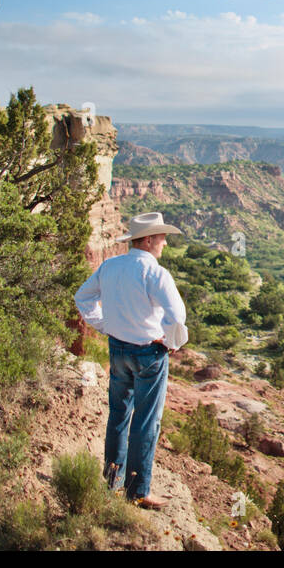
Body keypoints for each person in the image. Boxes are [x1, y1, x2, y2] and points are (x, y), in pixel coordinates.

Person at [74, 212, 189, 508]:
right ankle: (138, 491)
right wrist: (171, 342)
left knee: (118, 415)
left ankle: (112, 480)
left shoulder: (110, 266)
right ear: (148, 240)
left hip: (117, 349)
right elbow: (177, 316)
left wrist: (104, 325)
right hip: (148, 353)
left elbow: (82, 297)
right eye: (162, 238)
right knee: (145, 423)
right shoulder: (156, 273)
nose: (164, 243)